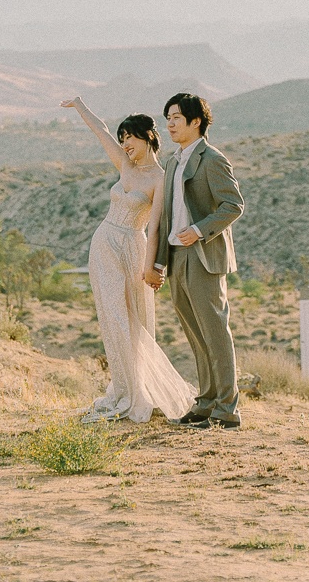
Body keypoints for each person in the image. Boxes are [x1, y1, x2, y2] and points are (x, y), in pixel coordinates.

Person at [60, 97, 194, 423]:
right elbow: (100, 131)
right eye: (122, 140)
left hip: (134, 247)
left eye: (129, 138)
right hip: (104, 246)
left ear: (147, 136)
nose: (124, 144)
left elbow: (158, 225)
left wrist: (152, 268)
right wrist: (80, 105)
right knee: (113, 319)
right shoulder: (124, 166)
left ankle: (140, 390)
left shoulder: (160, 179)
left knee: (133, 319)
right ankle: (123, 387)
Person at [144, 92, 244, 430]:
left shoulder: (213, 159)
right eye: (167, 118)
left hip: (204, 255)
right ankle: (204, 404)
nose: (169, 124)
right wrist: (158, 262)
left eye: (175, 118)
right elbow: (164, 218)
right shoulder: (173, 162)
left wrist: (200, 230)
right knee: (195, 334)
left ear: (195, 121)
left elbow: (233, 205)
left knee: (215, 332)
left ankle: (227, 410)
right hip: (176, 258)